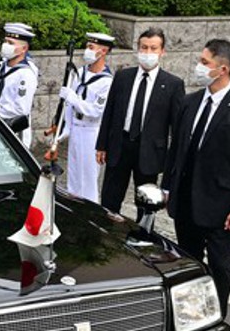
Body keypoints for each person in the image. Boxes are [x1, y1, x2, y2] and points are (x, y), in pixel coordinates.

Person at [162, 39, 230, 316]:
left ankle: (217, 316)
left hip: (221, 205)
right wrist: (168, 186)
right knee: (188, 260)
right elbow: (178, 148)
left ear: (223, 69)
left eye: (205, 63)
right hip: (186, 200)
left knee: (219, 265)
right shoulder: (190, 102)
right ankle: (190, 313)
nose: (199, 67)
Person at [96, 28, 186, 214]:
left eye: (153, 48)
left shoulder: (172, 85)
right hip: (120, 145)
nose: (148, 53)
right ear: (138, 48)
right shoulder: (123, 77)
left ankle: (143, 235)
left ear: (162, 51)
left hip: (149, 151)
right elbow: (110, 112)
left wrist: (172, 161)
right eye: (144, 47)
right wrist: (102, 145)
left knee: (146, 203)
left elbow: (176, 127)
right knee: (110, 199)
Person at [55, 32, 115, 203]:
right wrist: (65, 128)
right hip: (76, 128)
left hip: (91, 132)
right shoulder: (80, 72)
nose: (86, 51)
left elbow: (96, 111)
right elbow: (68, 105)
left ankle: (91, 210)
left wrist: (73, 98)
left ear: (103, 51)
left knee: (88, 179)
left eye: (91, 47)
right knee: (74, 175)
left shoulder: (107, 82)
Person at [0, 23, 39, 147]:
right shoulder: (0, 67)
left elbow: (20, 109)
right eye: (5, 41)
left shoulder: (25, 74)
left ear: (24, 49)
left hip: (15, 131)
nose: (6, 46)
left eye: (11, 43)